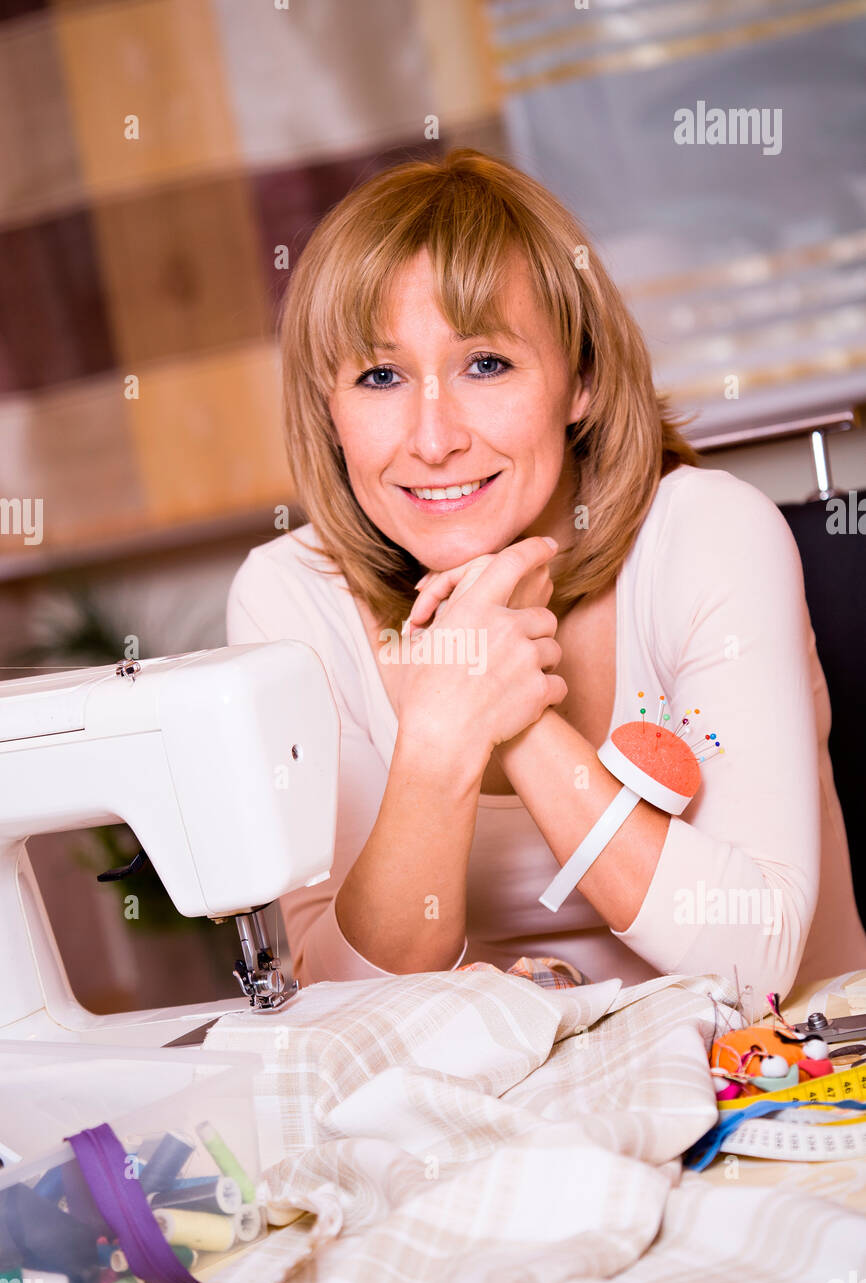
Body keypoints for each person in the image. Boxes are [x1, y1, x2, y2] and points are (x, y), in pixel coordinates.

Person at [227, 148, 866, 1017]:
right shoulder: (289, 596)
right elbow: (336, 1012)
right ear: (329, 412)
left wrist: (517, 712)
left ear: (584, 380)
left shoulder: (710, 533)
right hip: (517, 1126)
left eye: (485, 364)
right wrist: (441, 742)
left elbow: (750, 960)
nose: (433, 438)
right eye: (379, 376)